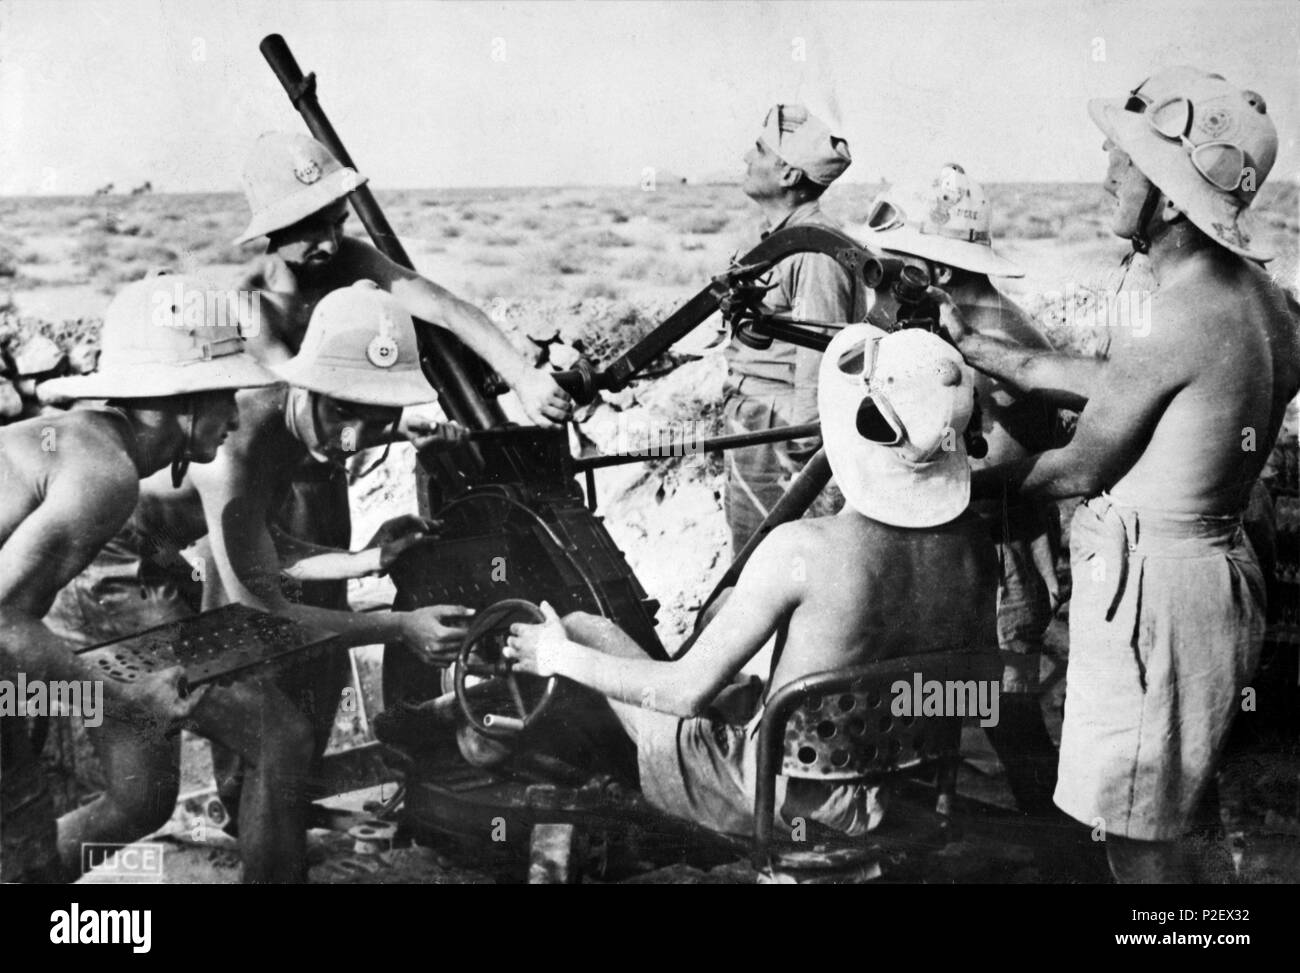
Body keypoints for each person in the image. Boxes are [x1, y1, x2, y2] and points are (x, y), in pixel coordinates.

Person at [947, 70, 1299, 882]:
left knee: (1137, 838)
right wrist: (981, 346)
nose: (1106, 170)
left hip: (1155, 599)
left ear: (1173, 200)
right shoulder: (1262, 302)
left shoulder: (1178, 316)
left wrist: (969, 478)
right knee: (1182, 809)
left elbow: (1076, 467)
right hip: (1214, 575)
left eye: (1126, 160)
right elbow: (1130, 381)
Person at [47, 278, 471, 883]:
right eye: (344, 412)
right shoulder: (235, 445)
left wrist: (366, 561)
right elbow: (262, 610)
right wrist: (397, 627)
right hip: (107, 584)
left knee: (139, 803)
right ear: (307, 385)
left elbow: (260, 547)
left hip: (146, 573)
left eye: (378, 423)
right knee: (278, 734)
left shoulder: (295, 427)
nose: (353, 440)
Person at [507, 323, 997, 838]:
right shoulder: (976, 547)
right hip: (887, 785)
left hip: (773, 798)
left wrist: (554, 656)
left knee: (588, 629)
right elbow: (968, 685)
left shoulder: (802, 548)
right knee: (743, 683)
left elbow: (683, 694)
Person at [1, 275, 278, 882]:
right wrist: (124, 696)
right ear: (179, 400)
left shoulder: (84, 443)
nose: (234, 418)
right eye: (222, 395)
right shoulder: (107, 473)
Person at [863, 163, 1063, 814]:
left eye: (895, 264)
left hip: (998, 549)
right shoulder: (952, 325)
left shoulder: (997, 338)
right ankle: (952, 815)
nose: (883, 279)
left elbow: (1028, 452)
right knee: (945, 687)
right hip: (958, 543)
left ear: (935, 268)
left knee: (1003, 697)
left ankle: (1057, 845)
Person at [233, 131, 569, 425]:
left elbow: (446, 308)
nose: (331, 243)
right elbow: (300, 407)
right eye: (313, 229)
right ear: (275, 228)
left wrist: (524, 378)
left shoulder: (347, 258)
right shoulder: (251, 303)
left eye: (337, 224)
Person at [723, 104, 867, 556]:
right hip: (757, 415)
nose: (747, 156)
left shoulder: (814, 251)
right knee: (749, 551)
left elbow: (819, 361)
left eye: (761, 149)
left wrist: (802, 455)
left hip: (779, 426)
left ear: (788, 175)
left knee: (766, 559)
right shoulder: (775, 236)